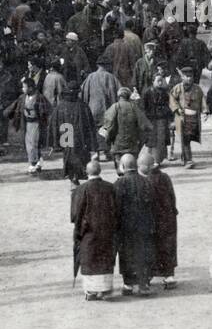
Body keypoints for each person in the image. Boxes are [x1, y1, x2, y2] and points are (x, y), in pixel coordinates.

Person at [73, 160, 118, 300]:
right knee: (105, 259)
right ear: (100, 171)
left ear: (87, 172)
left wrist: (78, 233)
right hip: (107, 232)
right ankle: (105, 290)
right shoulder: (110, 188)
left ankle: (91, 291)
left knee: (89, 259)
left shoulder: (80, 190)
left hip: (88, 233)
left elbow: (75, 215)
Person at [113, 153, 157, 295]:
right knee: (143, 253)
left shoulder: (118, 184)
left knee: (126, 254)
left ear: (123, 167)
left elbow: (116, 208)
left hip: (126, 227)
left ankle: (128, 284)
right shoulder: (146, 182)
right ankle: (143, 284)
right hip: (144, 225)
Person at [143, 150, 179, 290]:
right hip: (168, 218)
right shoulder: (165, 178)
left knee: (151, 247)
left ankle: (148, 275)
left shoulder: (146, 180)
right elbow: (172, 197)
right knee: (168, 247)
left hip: (153, 219)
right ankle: (169, 276)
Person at [51, 85, 97, 188]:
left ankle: (72, 178)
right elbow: (90, 126)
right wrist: (92, 143)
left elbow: (54, 124)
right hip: (79, 137)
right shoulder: (83, 106)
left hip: (66, 135)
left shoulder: (61, 106)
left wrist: (55, 142)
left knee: (68, 156)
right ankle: (77, 176)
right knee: (80, 157)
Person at [7, 77, 51, 174]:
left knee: (33, 143)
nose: (23, 89)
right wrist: (7, 112)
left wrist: (44, 120)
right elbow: (14, 106)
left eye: (24, 87)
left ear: (30, 88)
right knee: (28, 144)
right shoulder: (23, 97)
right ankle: (38, 161)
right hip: (26, 123)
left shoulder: (39, 97)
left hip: (36, 123)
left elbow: (45, 110)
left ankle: (33, 163)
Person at [81, 56, 119, 161]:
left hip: (92, 109)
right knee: (106, 129)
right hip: (107, 109)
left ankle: (95, 152)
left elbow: (83, 93)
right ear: (107, 65)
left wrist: (86, 106)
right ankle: (106, 152)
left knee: (94, 131)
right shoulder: (111, 77)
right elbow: (117, 93)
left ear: (98, 65)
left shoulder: (90, 77)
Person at [102, 86, 149, 171]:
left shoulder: (114, 107)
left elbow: (109, 125)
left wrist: (108, 139)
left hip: (118, 144)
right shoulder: (134, 107)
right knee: (131, 166)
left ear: (119, 96)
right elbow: (145, 125)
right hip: (132, 144)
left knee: (120, 166)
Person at [169, 66, 203, 169]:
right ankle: (188, 160)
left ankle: (185, 158)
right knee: (185, 138)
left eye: (190, 76)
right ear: (182, 77)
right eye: (186, 76)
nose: (189, 78)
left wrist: (205, 111)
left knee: (189, 138)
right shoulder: (177, 88)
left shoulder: (197, 88)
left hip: (193, 118)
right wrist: (177, 108)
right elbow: (172, 99)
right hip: (181, 117)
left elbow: (202, 100)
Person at [142, 69, 173, 167]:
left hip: (162, 118)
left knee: (161, 140)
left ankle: (158, 160)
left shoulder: (165, 92)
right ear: (152, 81)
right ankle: (152, 160)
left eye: (161, 80)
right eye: (158, 80)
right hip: (151, 119)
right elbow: (144, 106)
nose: (160, 82)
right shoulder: (147, 92)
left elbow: (169, 106)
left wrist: (170, 119)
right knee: (152, 141)